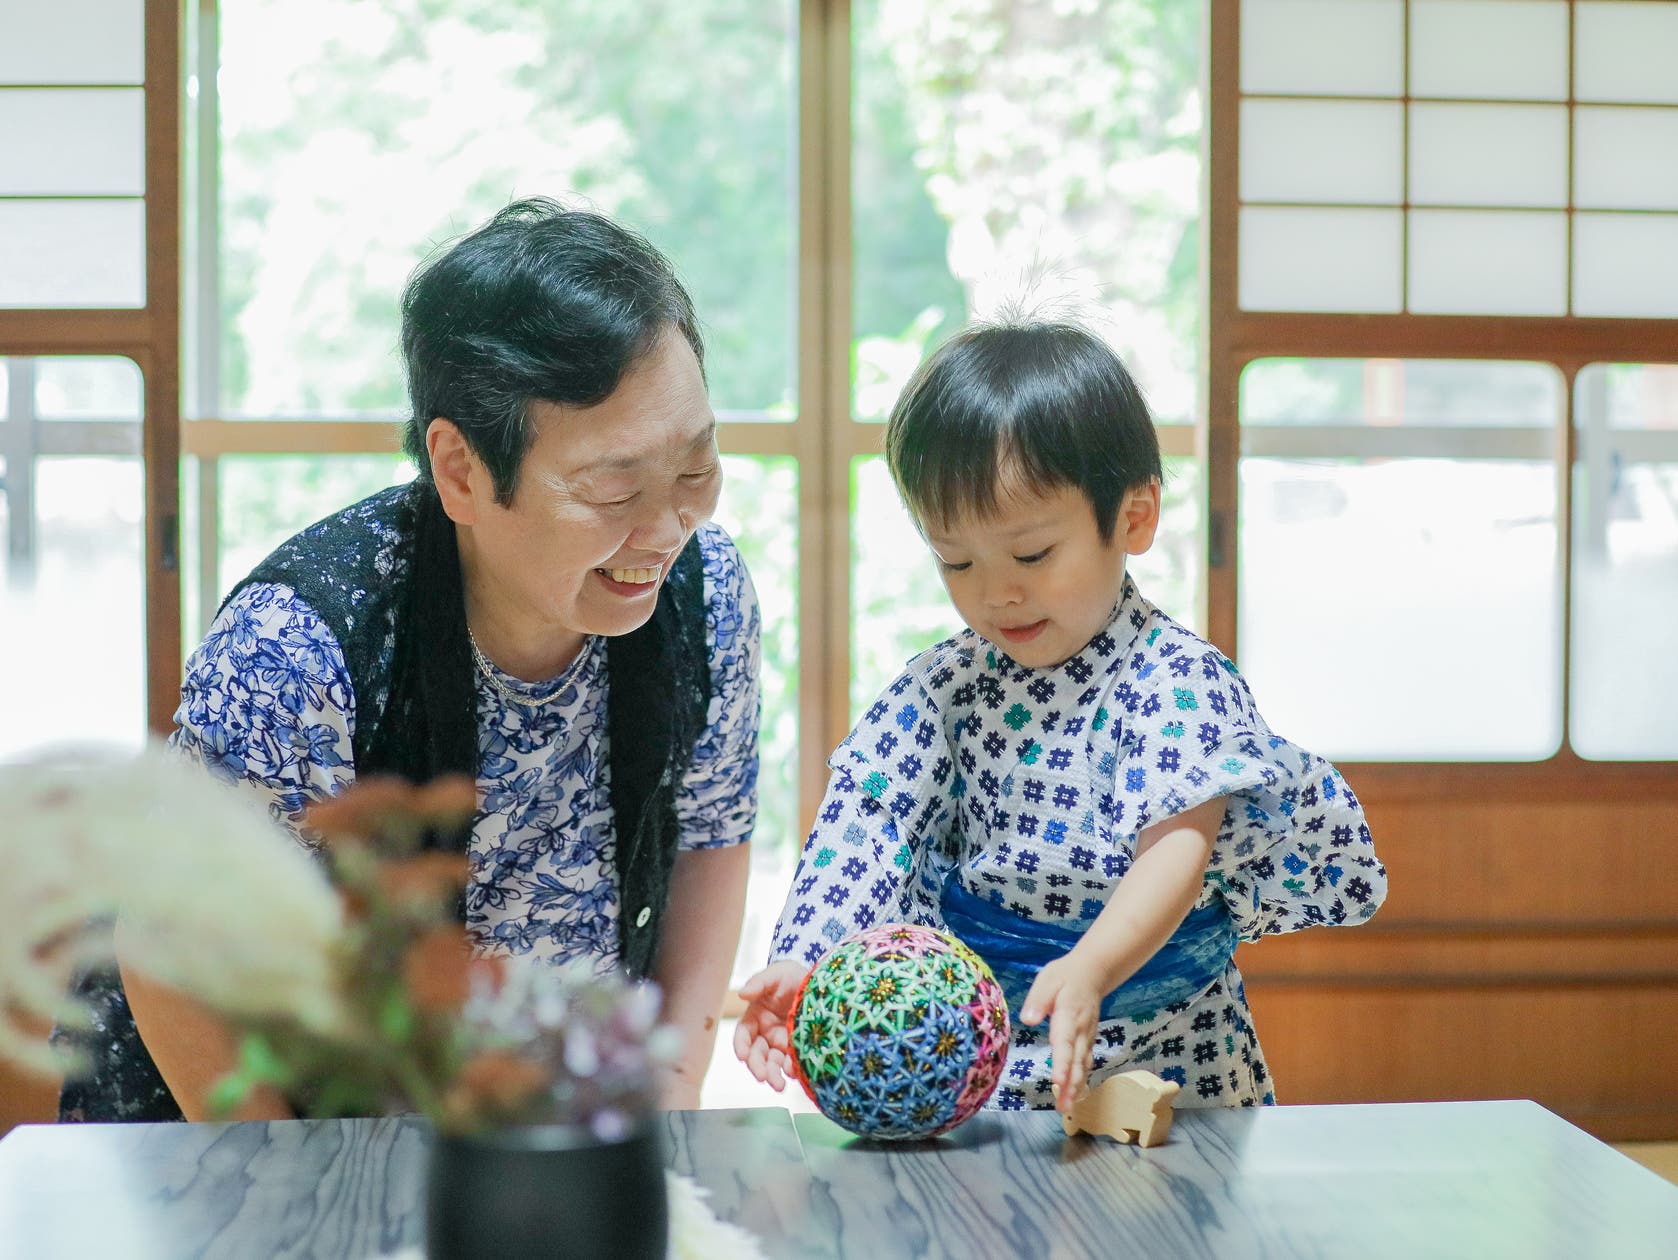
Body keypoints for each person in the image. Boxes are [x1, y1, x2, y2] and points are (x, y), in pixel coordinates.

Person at [58, 199, 761, 1121]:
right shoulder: (296, 650)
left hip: (523, 1123)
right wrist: (289, 1174)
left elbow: (712, 835)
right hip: (255, 1123)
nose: (668, 528)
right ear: (461, 470)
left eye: (696, 470)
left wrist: (667, 1096)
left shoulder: (706, 594)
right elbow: (166, 946)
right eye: (613, 488)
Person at [735, 321, 1384, 1113]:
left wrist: (1093, 966)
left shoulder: (1176, 680)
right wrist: (805, 955)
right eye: (957, 561)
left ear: (1134, 518)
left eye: (1033, 554)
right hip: (990, 1049)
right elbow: (866, 824)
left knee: (1180, 1193)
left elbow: (1176, 849)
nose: (996, 592)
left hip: (1171, 1041)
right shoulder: (944, 688)